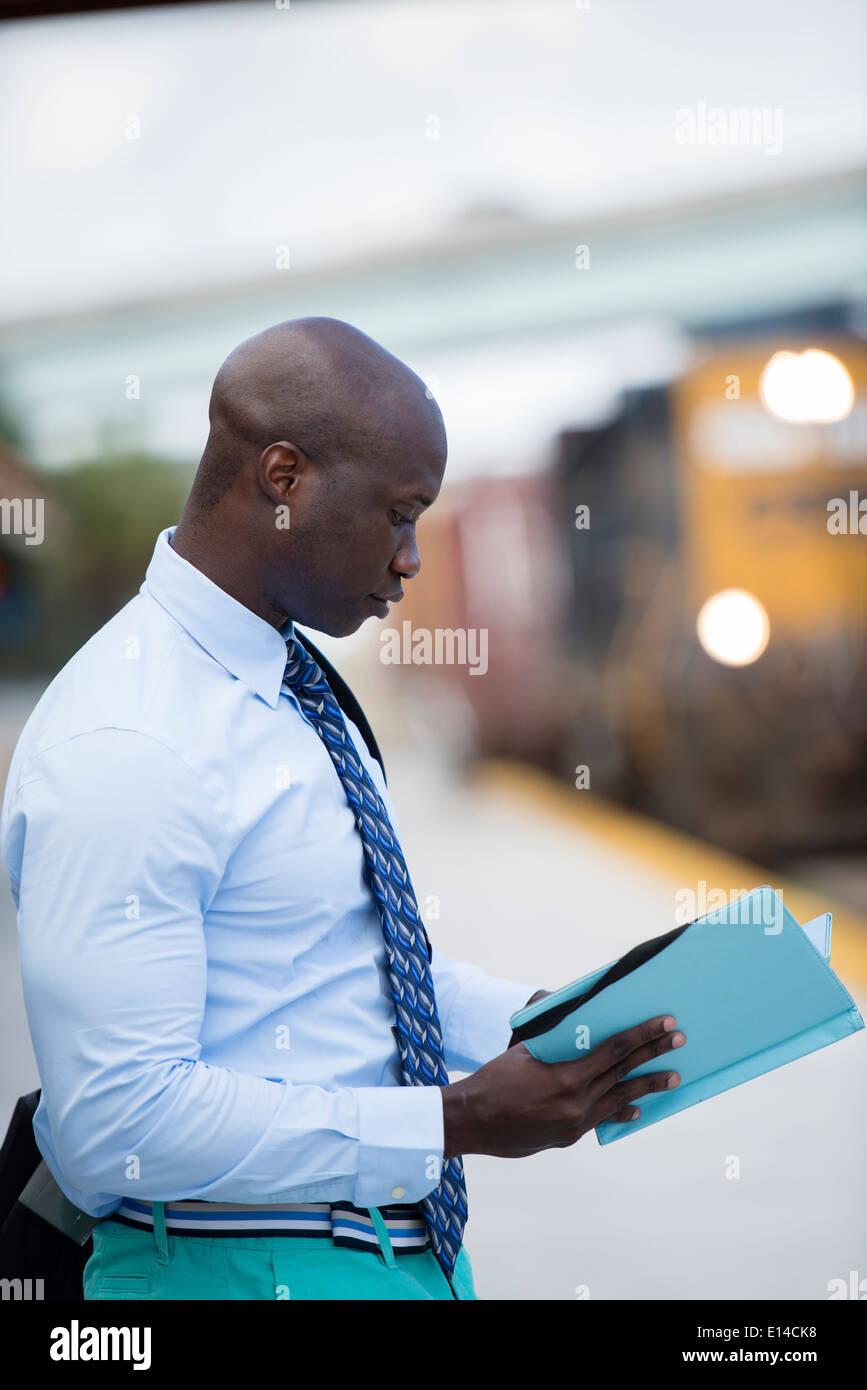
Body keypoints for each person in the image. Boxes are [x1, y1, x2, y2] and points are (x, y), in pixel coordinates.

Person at [0, 318, 685, 1301]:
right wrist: (454, 1121)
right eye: (398, 514)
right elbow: (119, 1123)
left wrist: (556, 1024)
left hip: (390, 1259)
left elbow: (343, 963)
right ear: (284, 478)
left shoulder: (290, 689)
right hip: (236, 1270)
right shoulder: (130, 735)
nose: (411, 559)